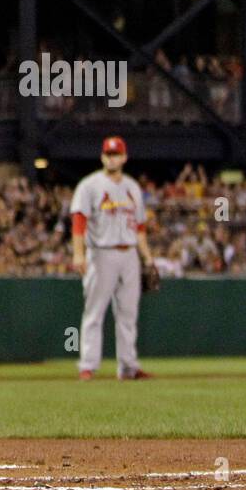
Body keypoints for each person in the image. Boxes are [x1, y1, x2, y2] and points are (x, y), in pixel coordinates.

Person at [69, 136, 154, 380]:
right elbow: (78, 221)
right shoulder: (90, 185)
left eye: (116, 154)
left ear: (125, 157)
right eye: (108, 153)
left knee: (128, 313)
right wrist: (78, 253)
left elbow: (139, 228)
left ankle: (128, 366)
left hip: (129, 255)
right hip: (101, 253)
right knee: (94, 312)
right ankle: (87, 365)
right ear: (102, 156)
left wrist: (147, 258)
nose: (112, 158)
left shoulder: (133, 187)